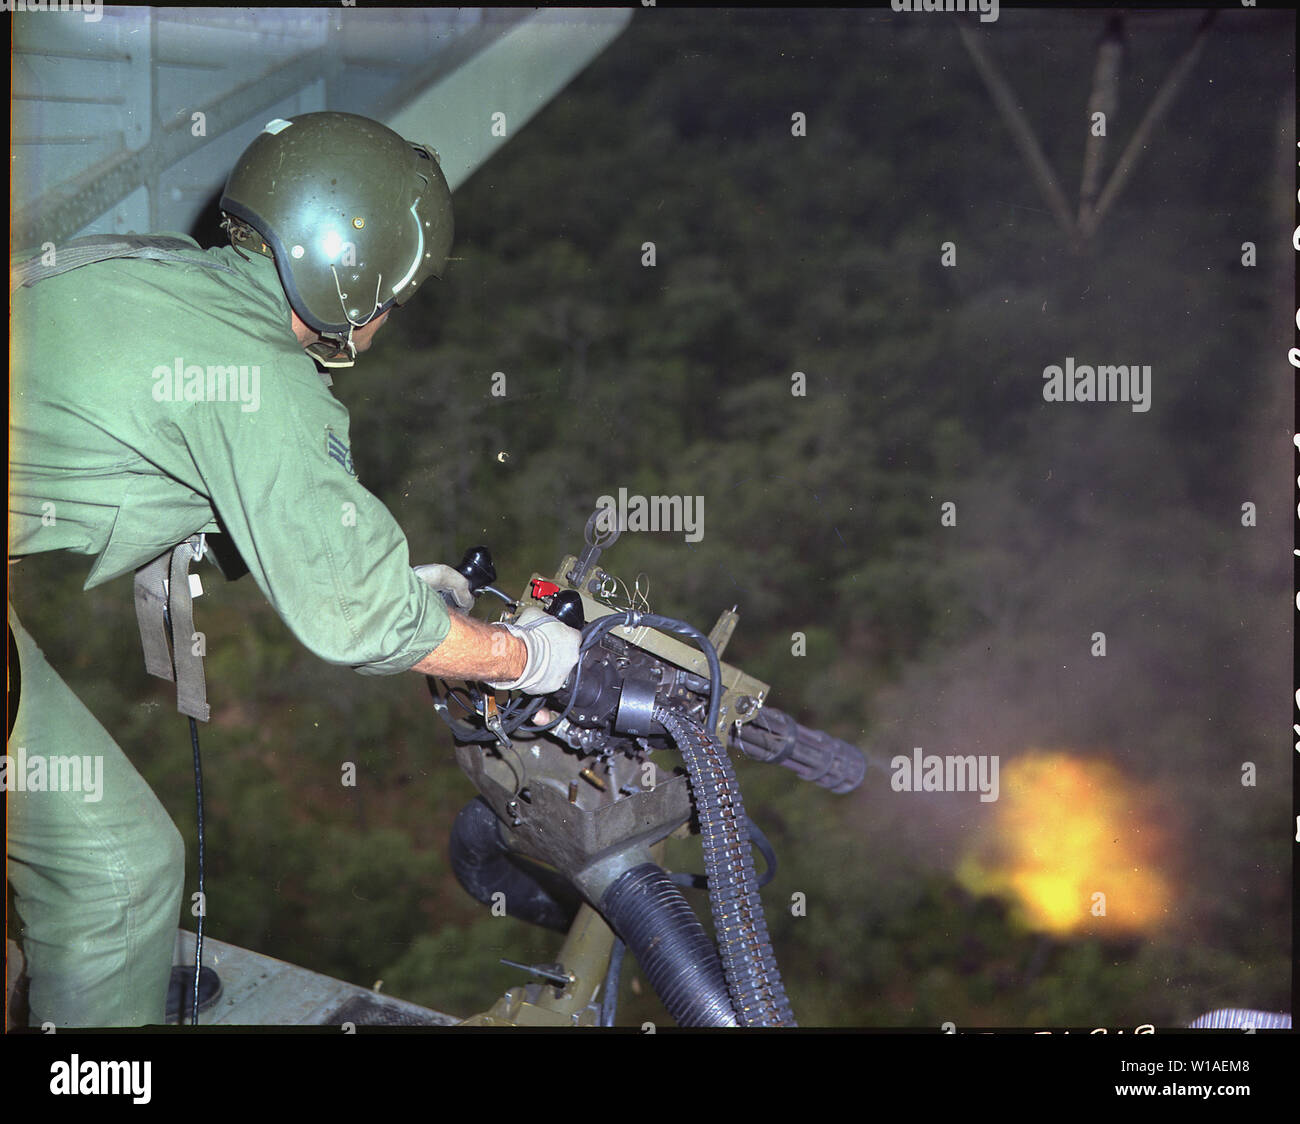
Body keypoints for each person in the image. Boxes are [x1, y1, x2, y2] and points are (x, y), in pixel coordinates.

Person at [6, 111, 580, 1027]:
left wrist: (397, 583)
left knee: (122, 872)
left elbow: (189, 460)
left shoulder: (165, 270)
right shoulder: (262, 380)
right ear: (358, 285)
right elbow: (355, 618)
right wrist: (530, 659)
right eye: (395, 294)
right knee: (114, 878)